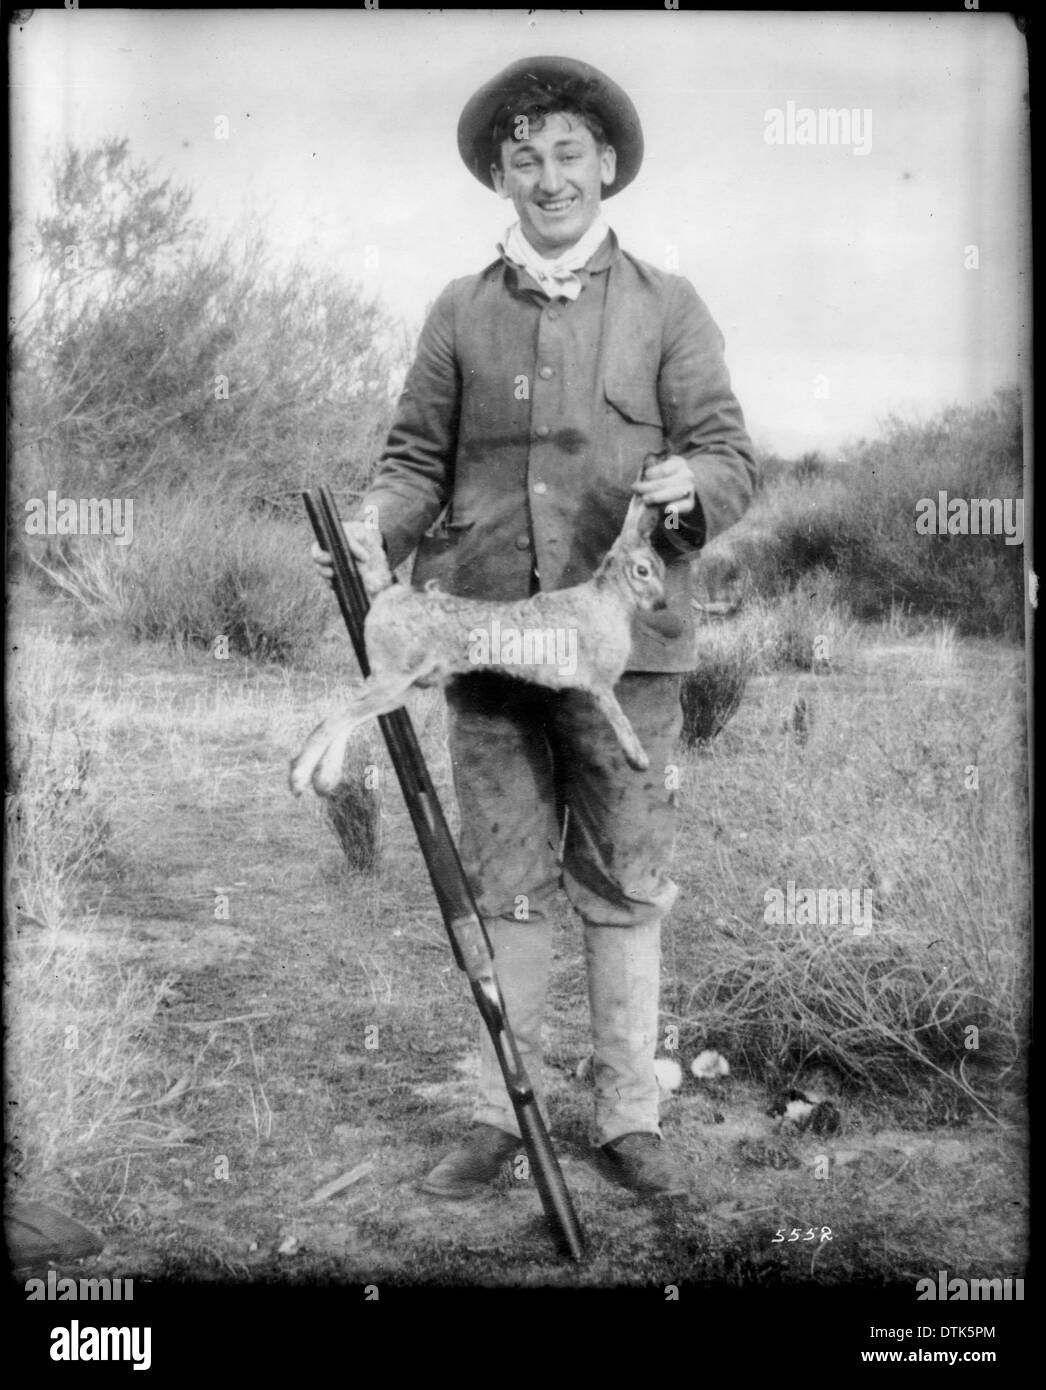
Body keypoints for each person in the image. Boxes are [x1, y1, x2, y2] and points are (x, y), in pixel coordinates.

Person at [313, 55, 757, 1198]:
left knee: (620, 881)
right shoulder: (459, 311)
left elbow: (727, 455)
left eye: (569, 154)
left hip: (626, 655)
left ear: (605, 165)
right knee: (503, 881)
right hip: (489, 655)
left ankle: (624, 1115)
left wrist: (688, 487)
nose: (548, 177)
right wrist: (375, 533)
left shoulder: (669, 306)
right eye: (525, 158)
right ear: (499, 177)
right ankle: (493, 1109)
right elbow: (412, 460)